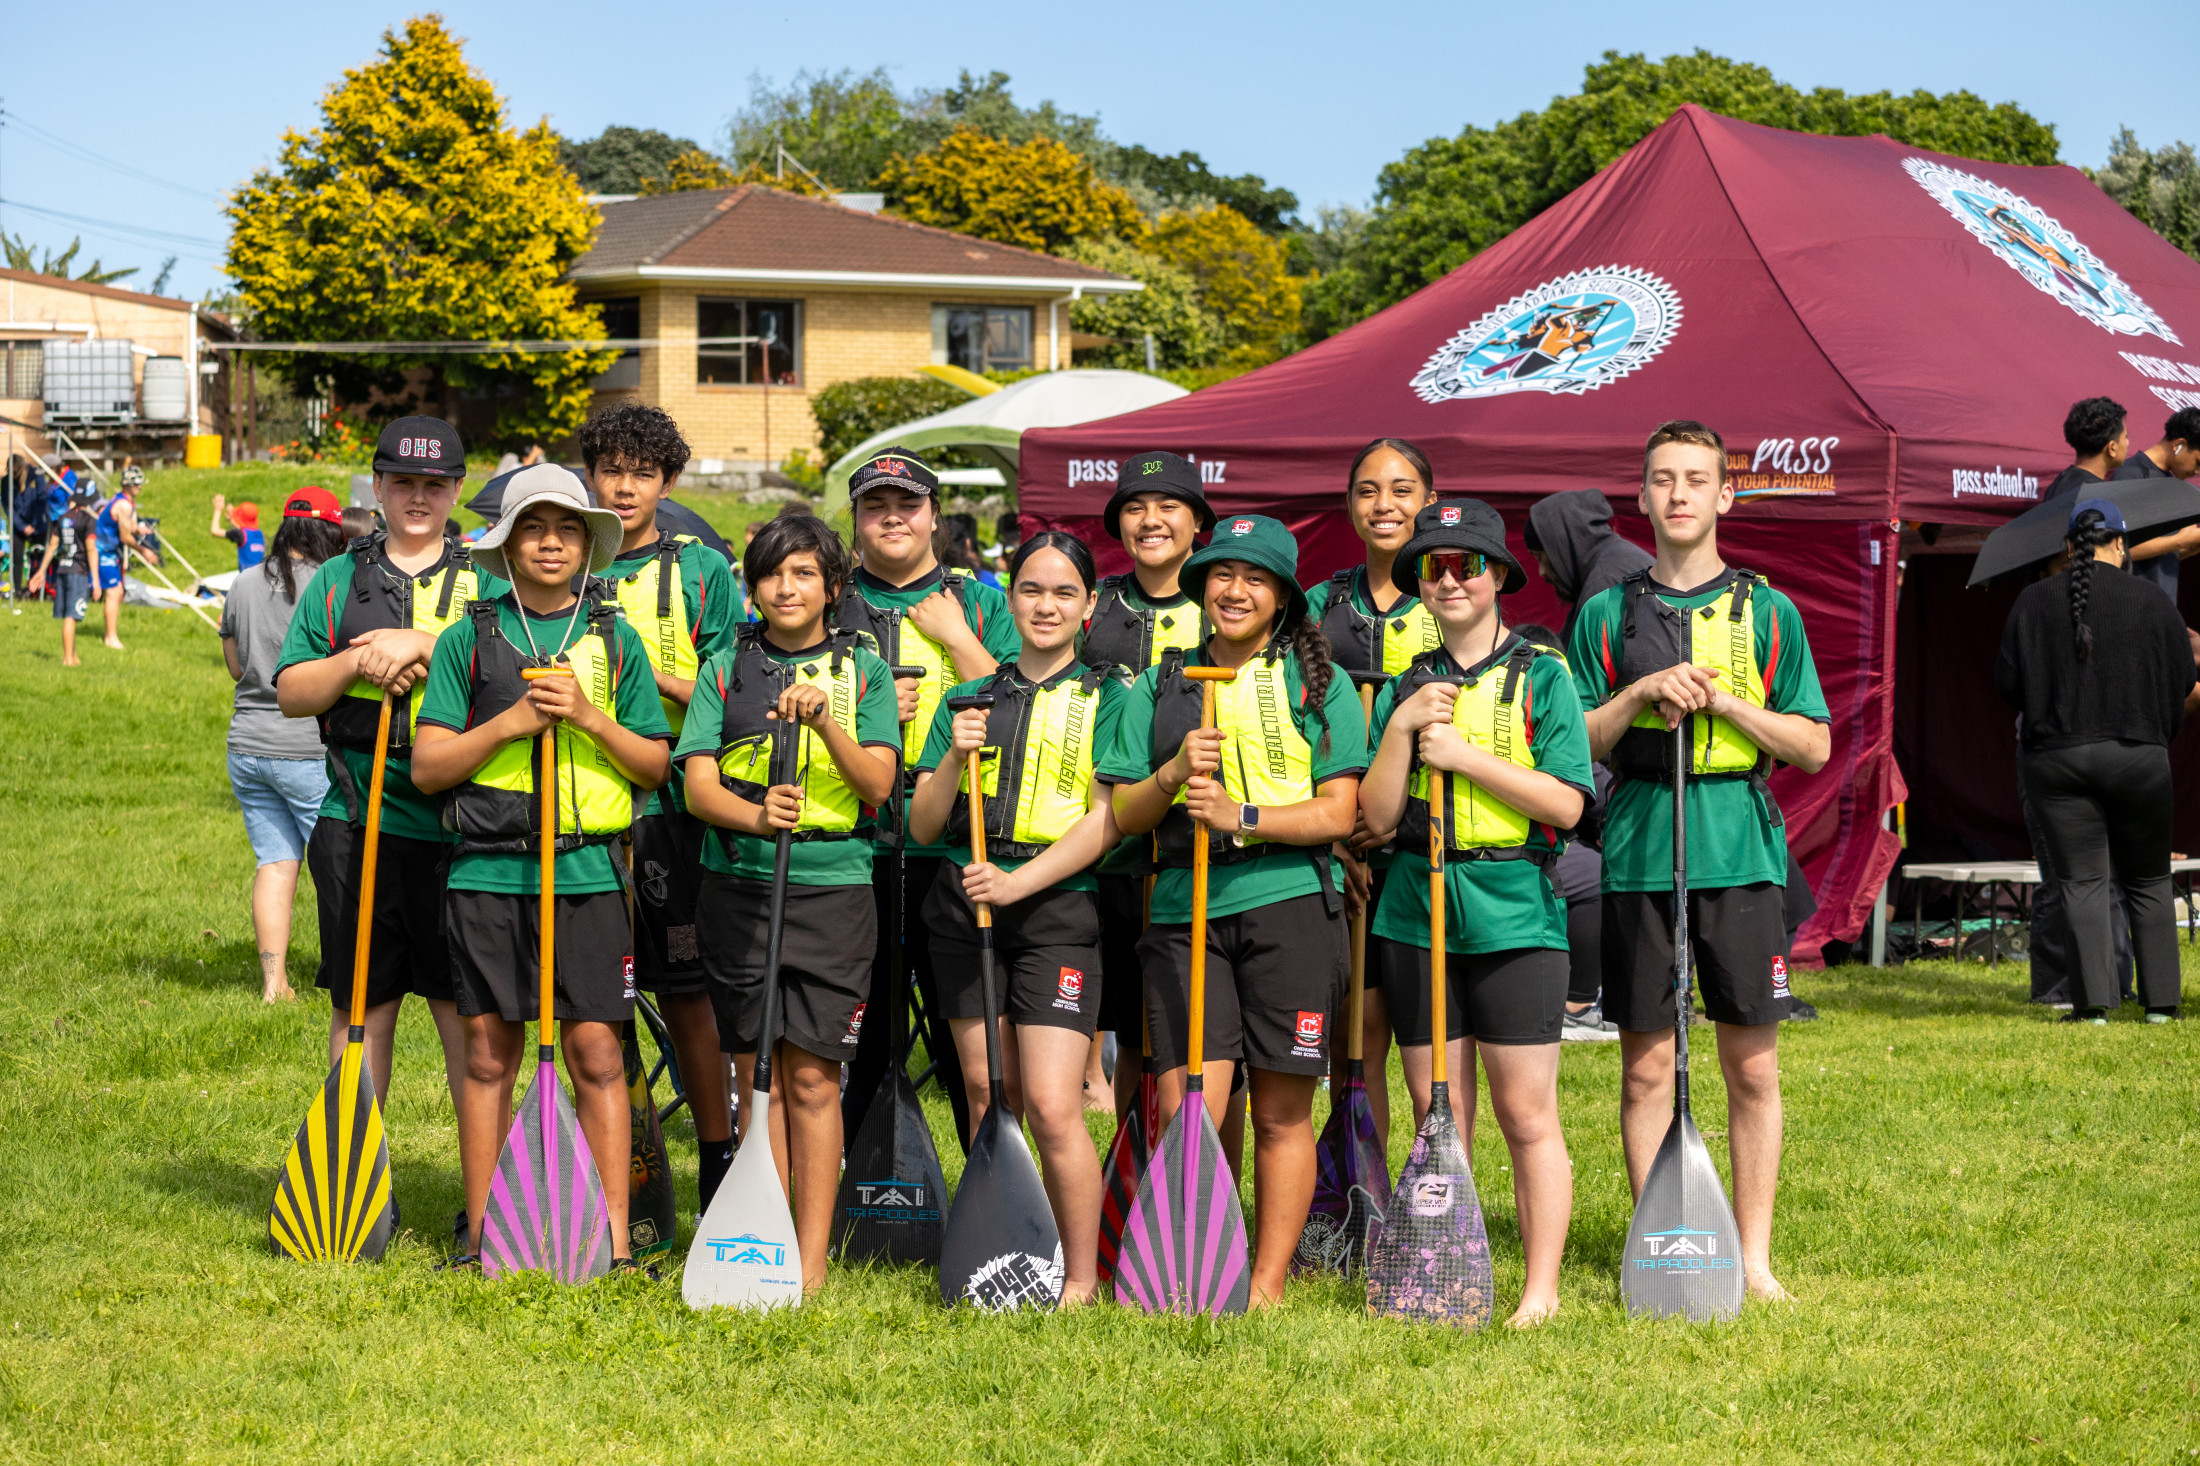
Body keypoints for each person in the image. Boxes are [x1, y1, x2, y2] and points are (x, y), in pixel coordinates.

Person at [1567, 419, 1831, 1303]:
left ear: (1724, 496)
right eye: (1661, 480)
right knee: (1644, 1063)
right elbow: (1573, 744)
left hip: (1739, 852)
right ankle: (1662, 1243)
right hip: (1640, 853)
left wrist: (1731, 709)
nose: (1678, 494)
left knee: (1751, 1064)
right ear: (1640, 498)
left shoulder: (1768, 610)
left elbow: (1815, 747)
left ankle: (1753, 1258)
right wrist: (1641, 692)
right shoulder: (1606, 614)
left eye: (1695, 480)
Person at [1101, 513, 1367, 1308]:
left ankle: (1266, 1283)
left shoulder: (1322, 683)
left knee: (1283, 1106)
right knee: (1193, 1100)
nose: (1236, 590)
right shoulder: (1160, 682)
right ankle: (1194, 1262)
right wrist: (1173, 773)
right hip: (1186, 911)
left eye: (1255, 578)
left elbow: (1334, 815)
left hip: (1289, 903)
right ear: (1200, 585)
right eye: (1222, 575)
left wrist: (1241, 817)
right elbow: (1123, 814)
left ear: (1283, 595)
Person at [411, 465, 671, 1272]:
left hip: (589, 874)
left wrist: (587, 717)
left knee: (598, 1052)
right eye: (533, 527)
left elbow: (655, 765)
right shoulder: (468, 638)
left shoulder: (614, 638)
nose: (550, 542)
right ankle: (486, 1235)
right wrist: (512, 723)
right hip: (489, 875)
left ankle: (612, 1239)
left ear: (587, 545)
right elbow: (428, 767)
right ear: (508, 543)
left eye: (565, 529)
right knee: (489, 1054)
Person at [1360, 500, 1591, 1327]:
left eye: (1468, 565)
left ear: (1499, 577)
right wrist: (1402, 733)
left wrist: (1466, 757)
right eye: (1434, 567)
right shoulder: (1407, 681)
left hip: (1514, 911)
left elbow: (1566, 803)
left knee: (1525, 1113)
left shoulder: (1544, 673)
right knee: (1436, 1113)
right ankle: (1440, 1266)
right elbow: (1377, 820)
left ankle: (1540, 1290)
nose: (1451, 579)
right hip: (1416, 911)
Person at [677, 513, 900, 1292]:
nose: (786, 587)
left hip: (833, 893)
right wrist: (755, 814)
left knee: (812, 1078)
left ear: (833, 588)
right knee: (756, 1071)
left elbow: (877, 785)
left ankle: (809, 1266)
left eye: (804, 573)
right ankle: (759, 1249)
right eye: (772, 573)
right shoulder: (725, 666)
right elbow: (697, 785)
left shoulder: (863, 669)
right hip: (738, 888)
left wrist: (828, 719)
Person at [907, 530, 1124, 1304]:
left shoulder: (1111, 693)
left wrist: (1018, 882)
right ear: (1010, 598)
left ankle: (1079, 1274)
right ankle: (1003, 1248)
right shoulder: (969, 697)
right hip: (965, 901)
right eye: (1031, 590)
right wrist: (949, 758)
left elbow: (1108, 821)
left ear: (1089, 607)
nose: (1046, 605)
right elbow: (925, 826)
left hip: (1056, 906)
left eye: (1065, 593)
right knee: (981, 1090)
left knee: (1055, 1104)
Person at [274, 417, 495, 1154]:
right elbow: (293, 690)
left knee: (466, 1016)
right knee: (361, 1009)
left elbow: (516, 678)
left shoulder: (487, 584)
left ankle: (481, 1194)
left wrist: (424, 647)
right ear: (377, 485)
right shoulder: (339, 580)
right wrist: (356, 664)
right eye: (403, 481)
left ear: (457, 490)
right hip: (357, 822)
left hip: (463, 833)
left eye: (434, 484)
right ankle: (353, 1173)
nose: (418, 497)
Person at [579, 404, 742, 1210]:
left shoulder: (703, 570)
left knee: (686, 991)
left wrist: (651, 682)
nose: (623, 486)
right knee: (594, 993)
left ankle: (719, 1154)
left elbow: (731, 685)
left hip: (676, 811)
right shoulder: (565, 564)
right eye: (611, 469)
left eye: (641, 473)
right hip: (584, 807)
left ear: (667, 483)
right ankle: (613, 1156)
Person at [836, 449, 1019, 1147]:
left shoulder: (978, 602)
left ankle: (987, 1201)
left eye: (907, 505)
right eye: (875, 506)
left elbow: (1023, 707)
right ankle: (857, 1199)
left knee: (967, 1050)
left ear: (935, 517)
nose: (892, 518)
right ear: (854, 521)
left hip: (959, 847)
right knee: (866, 1038)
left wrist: (955, 638)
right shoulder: (830, 600)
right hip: (857, 847)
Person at [1995, 500, 2191, 1024]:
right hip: (2139, 755)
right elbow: (2182, 683)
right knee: (2148, 880)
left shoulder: (2032, 601)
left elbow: (2008, 686)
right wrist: (2155, 735)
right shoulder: (2152, 602)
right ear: (2122, 545)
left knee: (2082, 883)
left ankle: (2093, 1009)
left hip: (2056, 762)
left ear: (2067, 547)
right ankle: (2162, 1008)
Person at [1302, 439, 1440, 1150]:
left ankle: (1436, 1209)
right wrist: (1337, 837)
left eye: (1401, 489)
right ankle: (1367, 1195)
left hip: (1423, 849)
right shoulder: (1320, 604)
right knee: (1352, 1043)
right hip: (1339, 850)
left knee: (1423, 1055)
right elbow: (1297, 728)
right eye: (1367, 490)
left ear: (1429, 500)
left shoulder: (1449, 596)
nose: (1384, 505)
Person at [1083, 450, 1215, 1120]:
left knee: (1201, 1048)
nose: (1151, 520)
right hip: (1105, 852)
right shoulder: (1091, 605)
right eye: (1135, 507)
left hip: (1194, 856)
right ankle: (1127, 1189)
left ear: (1199, 523)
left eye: (1169, 506)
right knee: (1131, 1034)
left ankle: (1204, 1192)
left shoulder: (1224, 606)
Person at [221, 486, 345, 1002]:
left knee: (274, 862)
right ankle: (351, 976)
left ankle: (275, 984)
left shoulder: (244, 580)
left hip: (247, 743)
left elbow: (234, 665)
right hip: (307, 748)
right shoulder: (334, 584)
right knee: (338, 866)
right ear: (330, 531)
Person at [2110, 407, 2200, 605]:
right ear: (2179, 445)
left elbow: (2156, 558)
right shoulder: (2131, 474)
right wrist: (2179, 541)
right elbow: (2117, 551)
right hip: (2132, 608)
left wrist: (2190, 546)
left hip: (2161, 610)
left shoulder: (2173, 483)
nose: (2197, 472)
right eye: (2198, 462)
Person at [27, 486, 98, 667]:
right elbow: (91, 548)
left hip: (63, 571)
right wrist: (96, 580)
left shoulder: (63, 518)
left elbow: (52, 545)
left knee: (69, 615)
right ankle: (67, 659)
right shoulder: (88, 520)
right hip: (78, 571)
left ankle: (73, 656)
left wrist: (41, 571)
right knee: (71, 617)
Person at [92, 466, 148, 650]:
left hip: (110, 552)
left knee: (117, 593)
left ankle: (110, 635)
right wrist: (143, 551)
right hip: (103, 553)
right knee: (114, 592)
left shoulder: (126, 501)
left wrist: (139, 529)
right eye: (136, 483)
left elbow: (129, 527)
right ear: (128, 485)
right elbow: (125, 537)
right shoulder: (123, 505)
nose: (140, 486)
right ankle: (111, 637)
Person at [2041, 397, 2128, 502]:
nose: (2127, 443)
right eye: (2125, 437)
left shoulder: (2057, 485)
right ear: (2112, 448)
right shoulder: (2097, 496)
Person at [209, 496, 267, 572]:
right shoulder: (260, 534)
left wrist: (218, 510)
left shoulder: (240, 534)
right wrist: (232, 519)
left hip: (246, 580)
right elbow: (242, 529)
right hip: (261, 576)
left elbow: (215, 531)